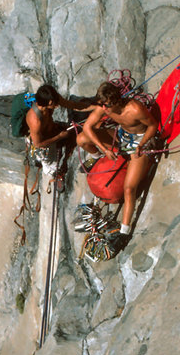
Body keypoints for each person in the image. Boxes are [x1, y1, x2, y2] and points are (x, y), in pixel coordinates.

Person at [75, 81, 159, 243]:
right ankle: (99, 158)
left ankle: (124, 232)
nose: (103, 109)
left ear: (114, 102)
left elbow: (153, 126)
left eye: (105, 105)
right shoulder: (104, 107)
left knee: (129, 188)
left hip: (139, 143)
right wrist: (103, 149)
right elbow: (87, 127)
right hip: (121, 137)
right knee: (82, 139)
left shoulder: (135, 109)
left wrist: (141, 145)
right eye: (101, 105)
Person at [25, 85, 80, 175]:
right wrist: (59, 136)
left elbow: (72, 105)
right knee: (54, 167)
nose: (57, 106)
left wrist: (95, 107)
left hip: (51, 129)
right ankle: (49, 169)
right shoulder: (35, 121)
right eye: (55, 104)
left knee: (72, 133)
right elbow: (38, 144)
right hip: (42, 142)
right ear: (50, 103)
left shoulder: (49, 100)